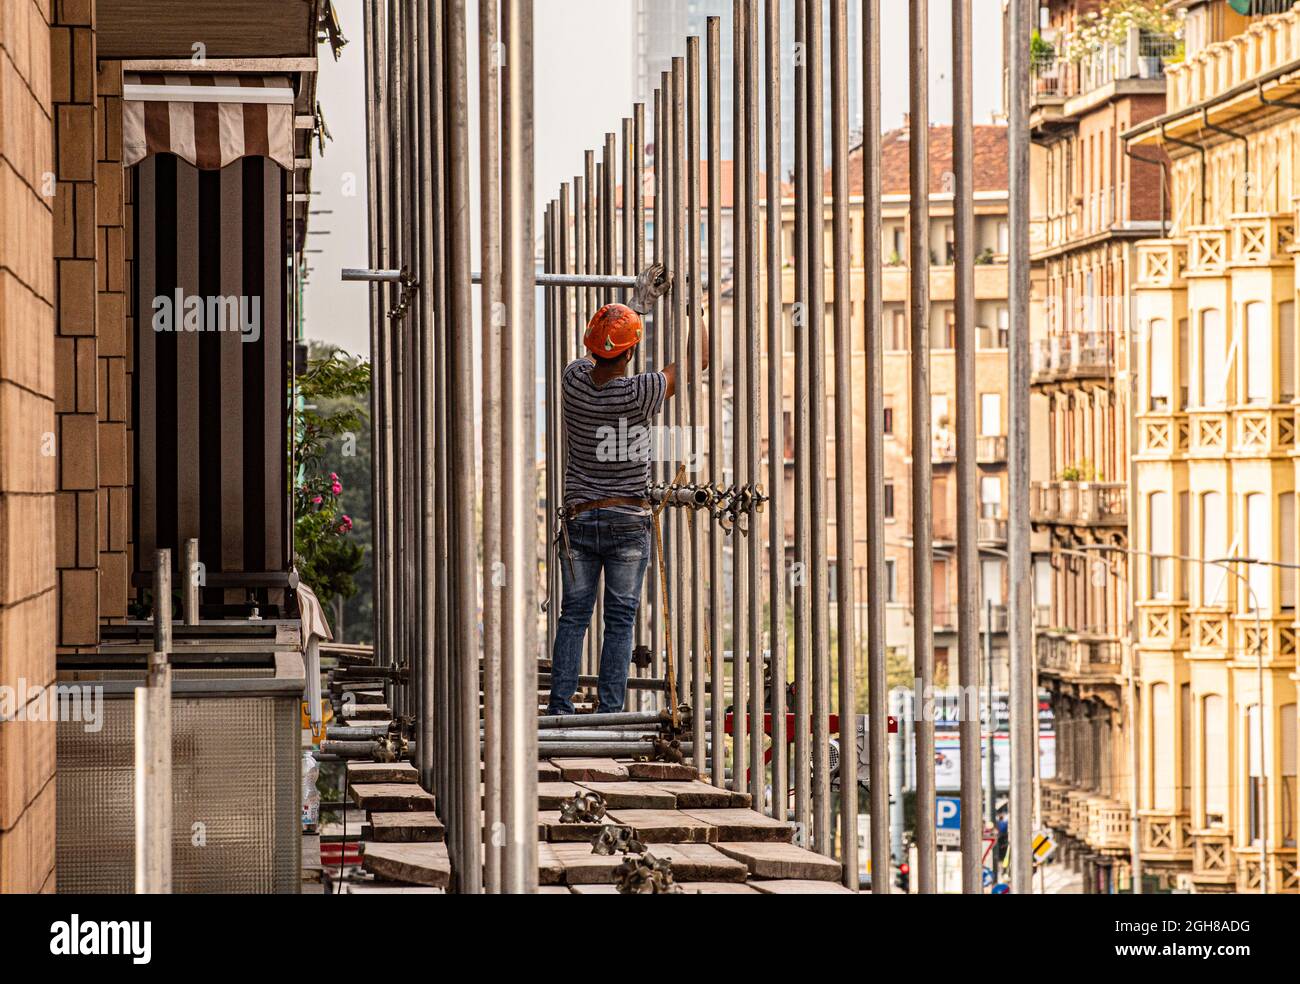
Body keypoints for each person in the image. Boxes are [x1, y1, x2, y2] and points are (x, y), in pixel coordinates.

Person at [548, 283, 707, 715]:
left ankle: (559, 709)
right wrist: (695, 310)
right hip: (627, 523)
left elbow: (591, 357)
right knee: (619, 622)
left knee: (574, 616)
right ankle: (608, 712)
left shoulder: (573, 381)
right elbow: (698, 361)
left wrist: (634, 308)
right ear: (631, 354)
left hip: (580, 520)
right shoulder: (640, 392)